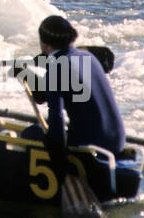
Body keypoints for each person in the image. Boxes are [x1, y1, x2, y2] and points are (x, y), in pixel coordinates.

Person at [18, 15, 126, 170]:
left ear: (45, 44)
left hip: (91, 148)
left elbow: (56, 119)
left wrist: (58, 159)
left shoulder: (56, 68)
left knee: (31, 133)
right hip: (117, 142)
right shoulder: (89, 57)